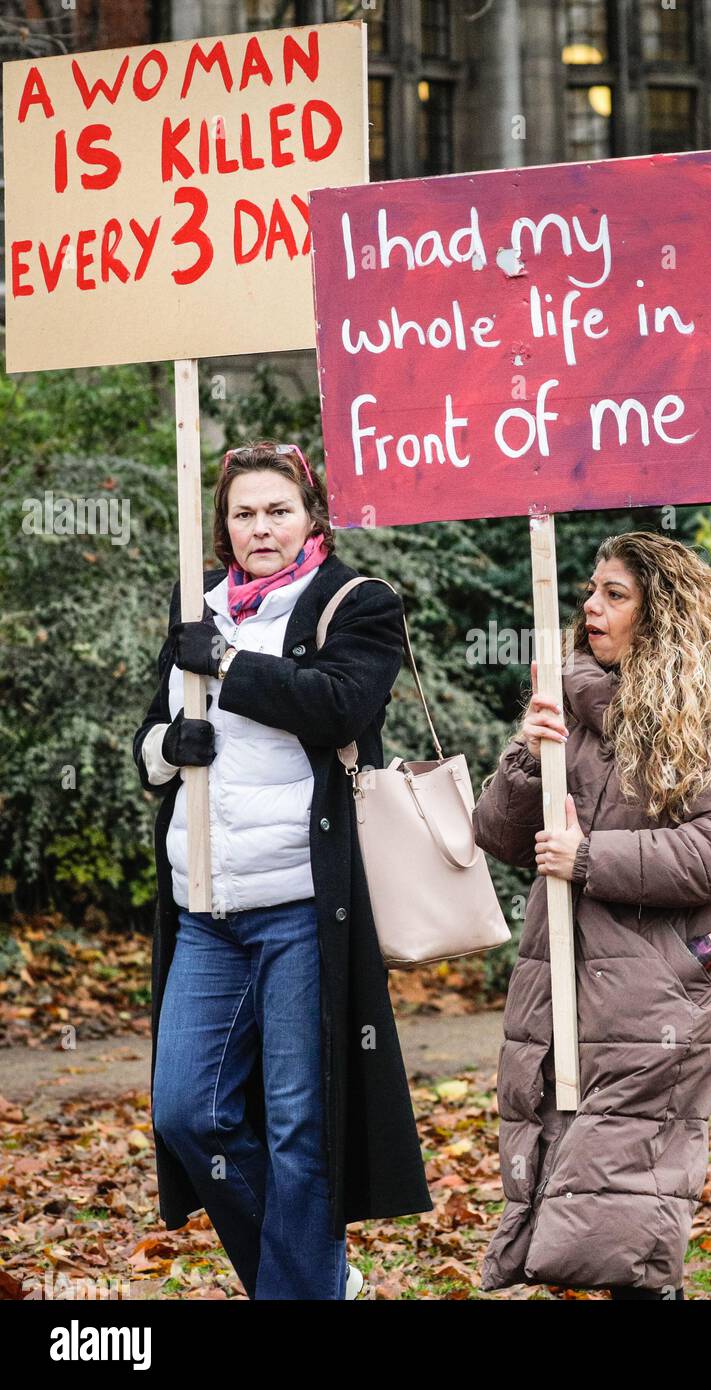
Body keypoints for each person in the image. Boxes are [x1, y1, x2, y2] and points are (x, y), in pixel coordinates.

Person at [131, 439, 431, 1300]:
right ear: (222, 525)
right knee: (189, 1111)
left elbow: (340, 705)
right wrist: (166, 747)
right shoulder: (201, 604)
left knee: (302, 1125)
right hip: (206, 905)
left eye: (278, 510)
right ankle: (315, 1277)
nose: (260, 528)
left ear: (312, 516)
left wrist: (224, 664)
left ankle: (297, 1294)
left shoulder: (355, 602)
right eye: (243, 513)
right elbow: (150, 744)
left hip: (303, 901)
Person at [472, 531, 711, 1298]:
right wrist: (525, 752)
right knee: (588, 1202)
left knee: (619, 1207)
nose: (591, 607)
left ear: (662, 612)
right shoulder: (572, 703)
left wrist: (588, 860)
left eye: (616, 594)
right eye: (591, 591)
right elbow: (501, 837)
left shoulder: (708, 713)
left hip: (664, 993)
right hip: (565, 992)